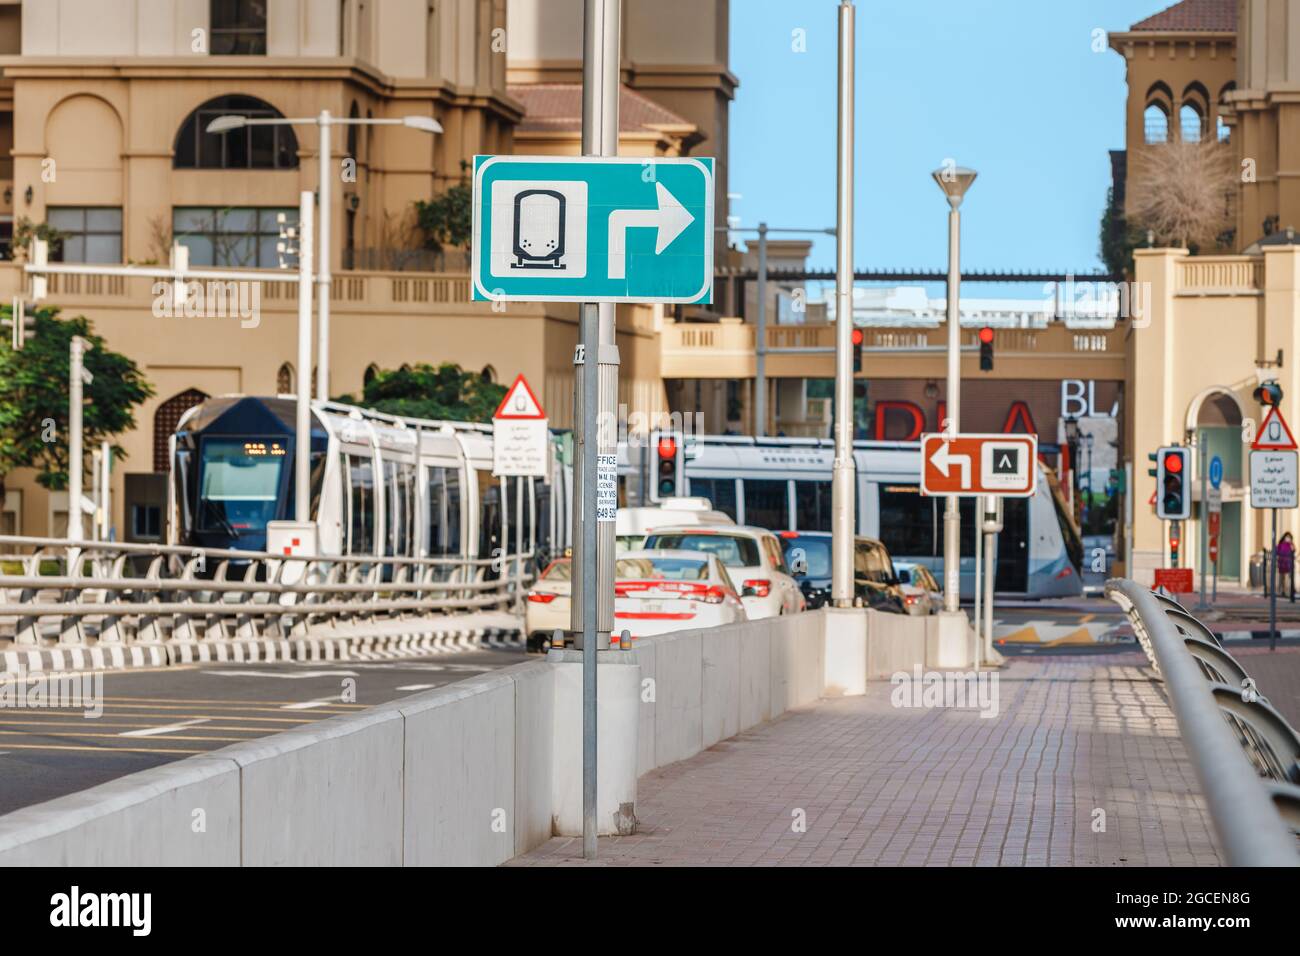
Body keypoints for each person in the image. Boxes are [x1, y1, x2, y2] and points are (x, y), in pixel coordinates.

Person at [1277, 532, 1296, 602]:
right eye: (1287, 537)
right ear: (1284, 537)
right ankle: (1283, 591)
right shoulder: (1281, 544)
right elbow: (1277, 551)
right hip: (1282, 563)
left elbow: (1294, 550)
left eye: (1289, 537)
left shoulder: (1291, 544)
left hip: (1289, 564)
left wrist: (1291, 545)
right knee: (1282, 578)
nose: (1288, 538)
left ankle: (1289, 590)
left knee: (1289, 578)